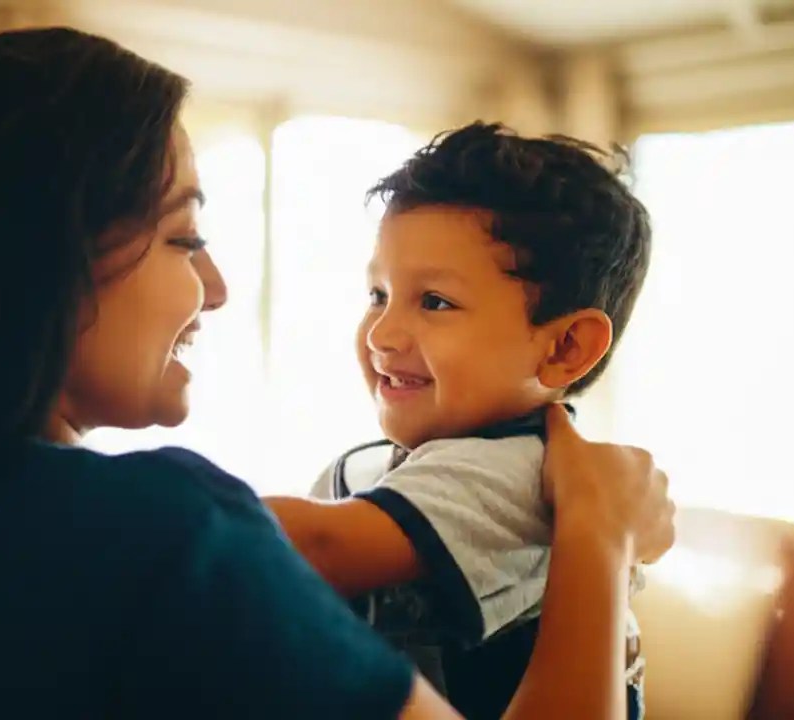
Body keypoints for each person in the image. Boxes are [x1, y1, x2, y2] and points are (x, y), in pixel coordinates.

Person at [0, 28, 674, 720]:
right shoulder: (164, 532)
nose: (213, 286)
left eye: (432, 301)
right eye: (185, 236)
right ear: (42, 261)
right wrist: (600, 532)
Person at [265, 123, 654, 718]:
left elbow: (317, 546)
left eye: (435, 302)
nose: (383, 334)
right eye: (378, 295)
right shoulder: (382, 466)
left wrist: (134, 504)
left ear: (565, 348)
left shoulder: (518, 471)